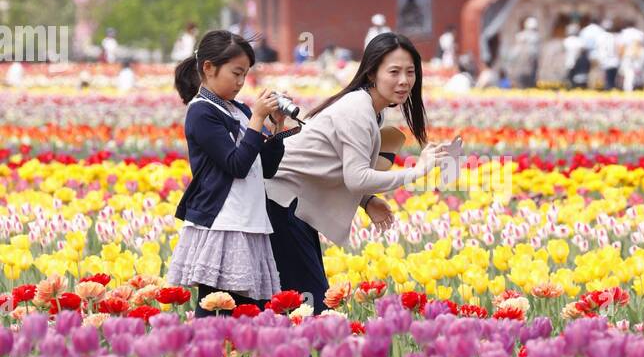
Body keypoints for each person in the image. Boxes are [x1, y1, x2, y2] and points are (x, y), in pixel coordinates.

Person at [263, 33, 448, 309]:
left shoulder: (373, 110)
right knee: (310, 306)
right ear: (372, 72)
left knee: (302, 302)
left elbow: (337, 164)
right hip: (281, 205)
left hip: (294, 207)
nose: (404, 81)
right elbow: (357, 177)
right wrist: (418, 170)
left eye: (410, 72)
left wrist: (367, 200)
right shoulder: (358, 110)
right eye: (394, 72)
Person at [168, 29, 297, 316]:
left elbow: (267, 166)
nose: (241, 82)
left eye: (245, 74)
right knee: (217, 309)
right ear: (209, 68)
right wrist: (258, 119)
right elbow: (236, 165)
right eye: (236, 73)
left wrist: (275, 126)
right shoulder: (201, 112)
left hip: (248, 219)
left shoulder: (236, 109)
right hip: (223, 222)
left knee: (247, 313)